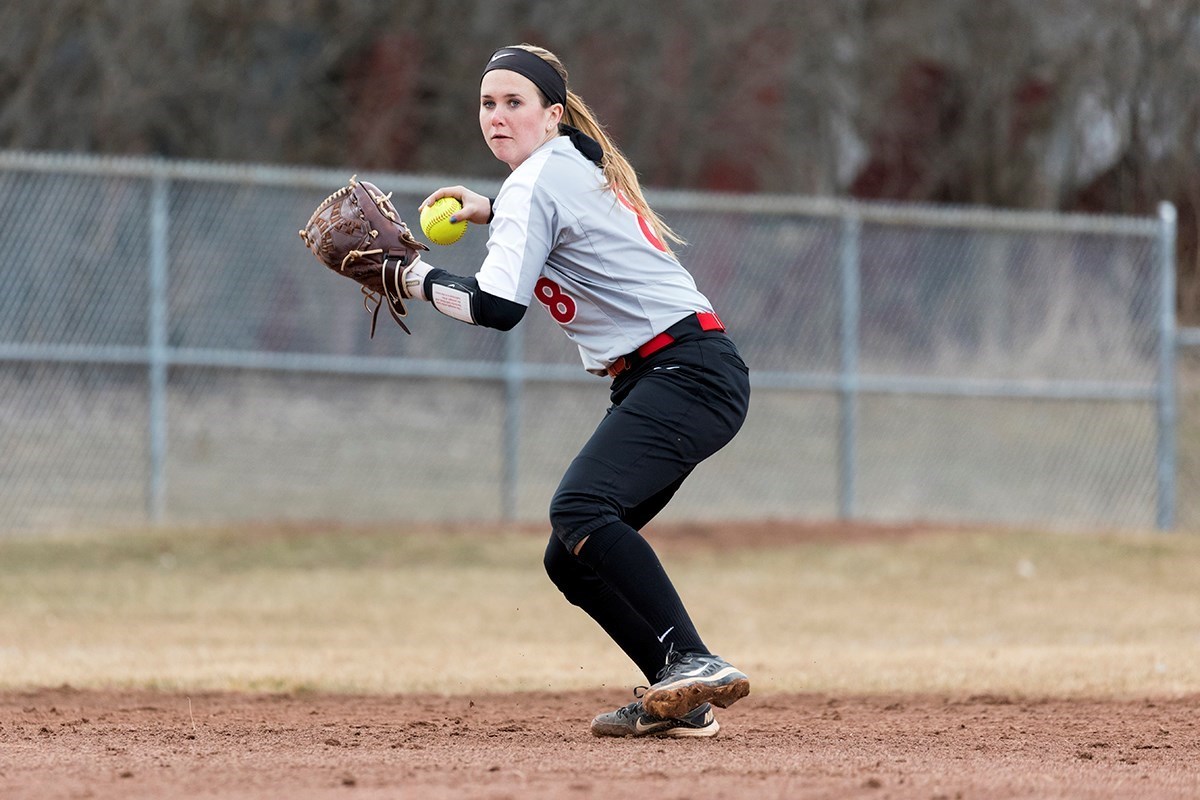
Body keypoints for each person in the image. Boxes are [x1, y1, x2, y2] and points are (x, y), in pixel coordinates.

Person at [391, 44, 751, 739]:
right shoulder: (569, 164)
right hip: (682, 371)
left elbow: (498, 309)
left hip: (686, 371)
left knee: (582, 506)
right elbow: (567, 216)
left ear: (552, 114)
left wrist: (409, 277)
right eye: (488, 104)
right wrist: (491, 210)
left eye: (514, 103)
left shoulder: (538, 180)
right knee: (572, 556)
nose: (497, 117)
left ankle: (693, 657)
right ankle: (683, 699)